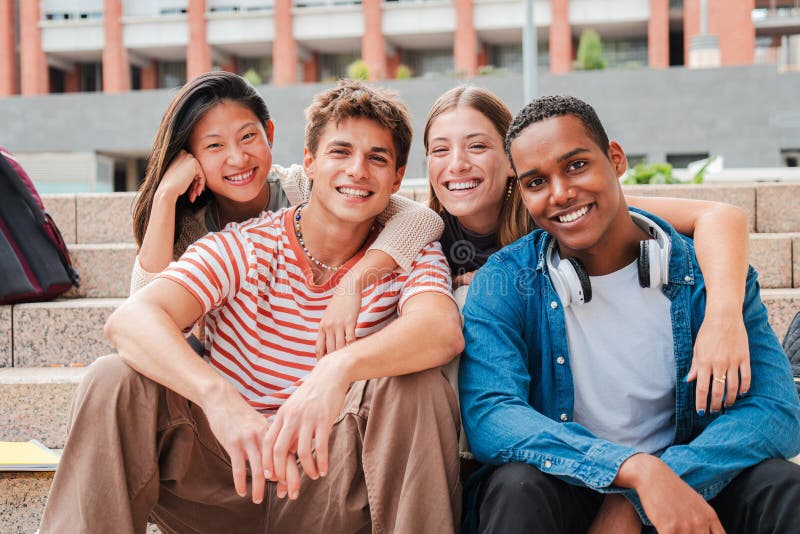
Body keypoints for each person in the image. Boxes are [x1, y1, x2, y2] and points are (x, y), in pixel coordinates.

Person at [39, 80, 463, 533]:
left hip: (333, 484)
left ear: (397, 179)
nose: (357, 171)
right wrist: (218, 398)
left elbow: (440, 329)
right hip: (224, 479)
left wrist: (337, 369)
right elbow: (132, 319)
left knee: (419, 385)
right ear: (310, 163)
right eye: (340, 152)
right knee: (114, 377)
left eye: (376, 158)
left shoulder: (409, 251)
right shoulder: (243, 244)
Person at [459, 95, 800, 533]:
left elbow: (774, 410)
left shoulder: (706, 274)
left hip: (691, 482)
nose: (561, 194)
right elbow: (492, 414)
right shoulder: (506, 281)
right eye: (536, 182)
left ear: (615, 160)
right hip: (571, 484)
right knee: (515, 487)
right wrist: (632, 470)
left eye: (577, 165)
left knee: (782, 486)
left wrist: (652, 487)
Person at [424, 86, 752, 414]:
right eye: (440, 150)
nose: (457, 164)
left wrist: (722, 318)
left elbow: (721, 216)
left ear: (513, 162)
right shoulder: (421, 231)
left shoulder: (560, 211)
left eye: (477, 146)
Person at [130, 71, 444, 356]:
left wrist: (354, 283)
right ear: (191, 155)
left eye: (248, 137)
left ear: (269, 133)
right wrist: (165, 195)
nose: (238, 158)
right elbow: (143, 314)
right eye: (214, 146)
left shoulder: (303, 187)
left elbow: (422, 219)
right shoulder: (187, 223)